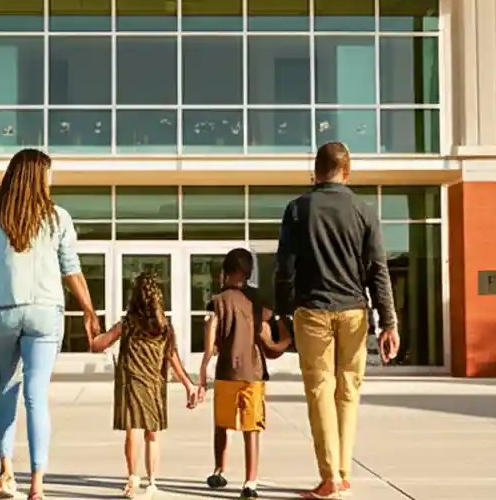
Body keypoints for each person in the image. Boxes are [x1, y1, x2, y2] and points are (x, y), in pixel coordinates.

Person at [0, 148, 101, 500]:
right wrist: (88, 310)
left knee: (7, 387)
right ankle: (37, 486)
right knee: (36, 395)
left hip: (0, 311)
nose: (51, 180)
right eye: (49, 173)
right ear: (39, 176)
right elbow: (72, 268)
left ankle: (7, 472)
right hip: (44, 310)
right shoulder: (57, 217)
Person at [274, 142, 400, 500]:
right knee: (348, 392)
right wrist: (388, 321)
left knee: (320, 391)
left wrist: (283, 312)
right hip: (355, 313)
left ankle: (330, 477)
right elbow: (379, 270)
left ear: (315, 171)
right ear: (347, 171)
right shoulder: (364, 210)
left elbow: (284, 267)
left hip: (313, 310)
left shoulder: (298, 209)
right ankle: (341, 473)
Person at [89, 271, 198, 498]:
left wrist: (91, 329)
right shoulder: (163, 327)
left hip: (132, 382)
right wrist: (189, 385)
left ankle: (132, 477)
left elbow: (98, 345)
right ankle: (153, 481)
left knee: (132, 431)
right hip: (155, 385)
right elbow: (172, 358)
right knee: (152, 434)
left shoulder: (127, 324)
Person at [197, 248, 291, 499]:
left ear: (224, 273)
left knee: (221, 424)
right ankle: (250, 482)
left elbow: (210, 339)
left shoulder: (218, 301)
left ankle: (219, 469)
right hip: (254, 373)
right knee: (252, 428)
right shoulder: (259, 301)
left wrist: (203, 370)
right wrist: (284, 338)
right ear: (249, 273)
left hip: (226, 371)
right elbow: (268, 341)